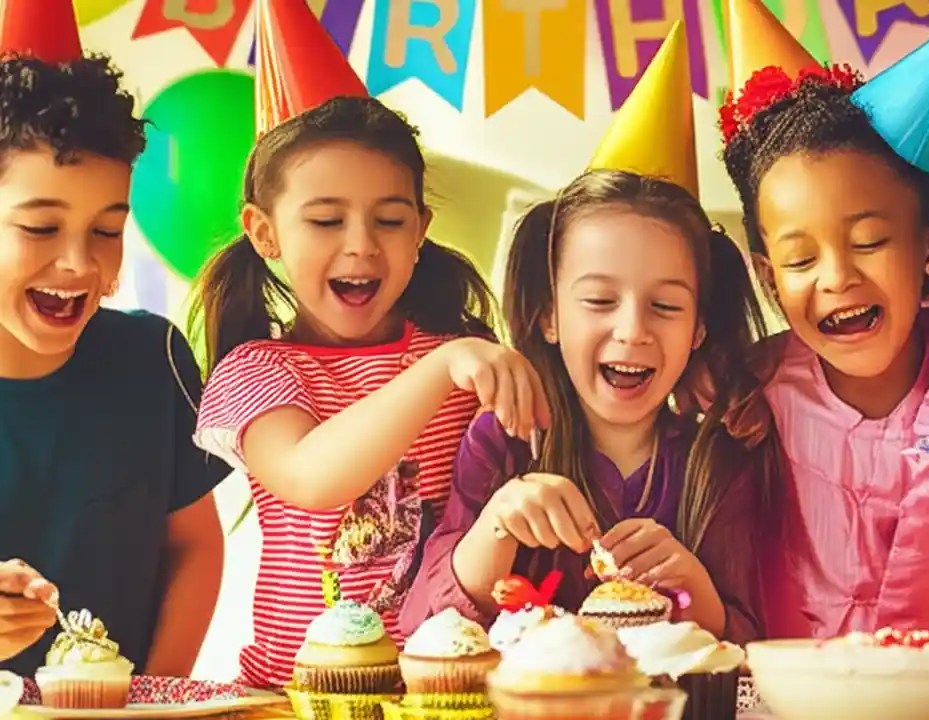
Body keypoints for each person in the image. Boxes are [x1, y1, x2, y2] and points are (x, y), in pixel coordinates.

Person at [191, 97, 547, 687]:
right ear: (264, 232)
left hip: (446, 686)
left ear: (420, 230)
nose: (361, 244)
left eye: (389, 219)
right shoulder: (255, 370)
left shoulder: (465, 359)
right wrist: (441, 368)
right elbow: (311, 477)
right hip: (291, 693)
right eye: (326, 220)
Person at [716, 5, 929, 638]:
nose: (837, 277)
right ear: (770, 278)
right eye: (800, 258)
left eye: (870, 240)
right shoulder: (748, 394)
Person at [401, 168, 780, 642]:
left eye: (665, 306)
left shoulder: (719, 460)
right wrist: (498, 524)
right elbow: (423, 625)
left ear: (698, 329)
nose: (633, 329)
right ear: (549, 316)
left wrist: (691, 591)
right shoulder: (506, 440)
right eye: (600, 300)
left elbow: (747, 642)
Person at [0, 2, 224, 678]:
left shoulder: (151, 359)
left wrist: (155, 694)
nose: (81, 264)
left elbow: (193, 546)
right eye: (40, 228)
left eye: (106, 228)